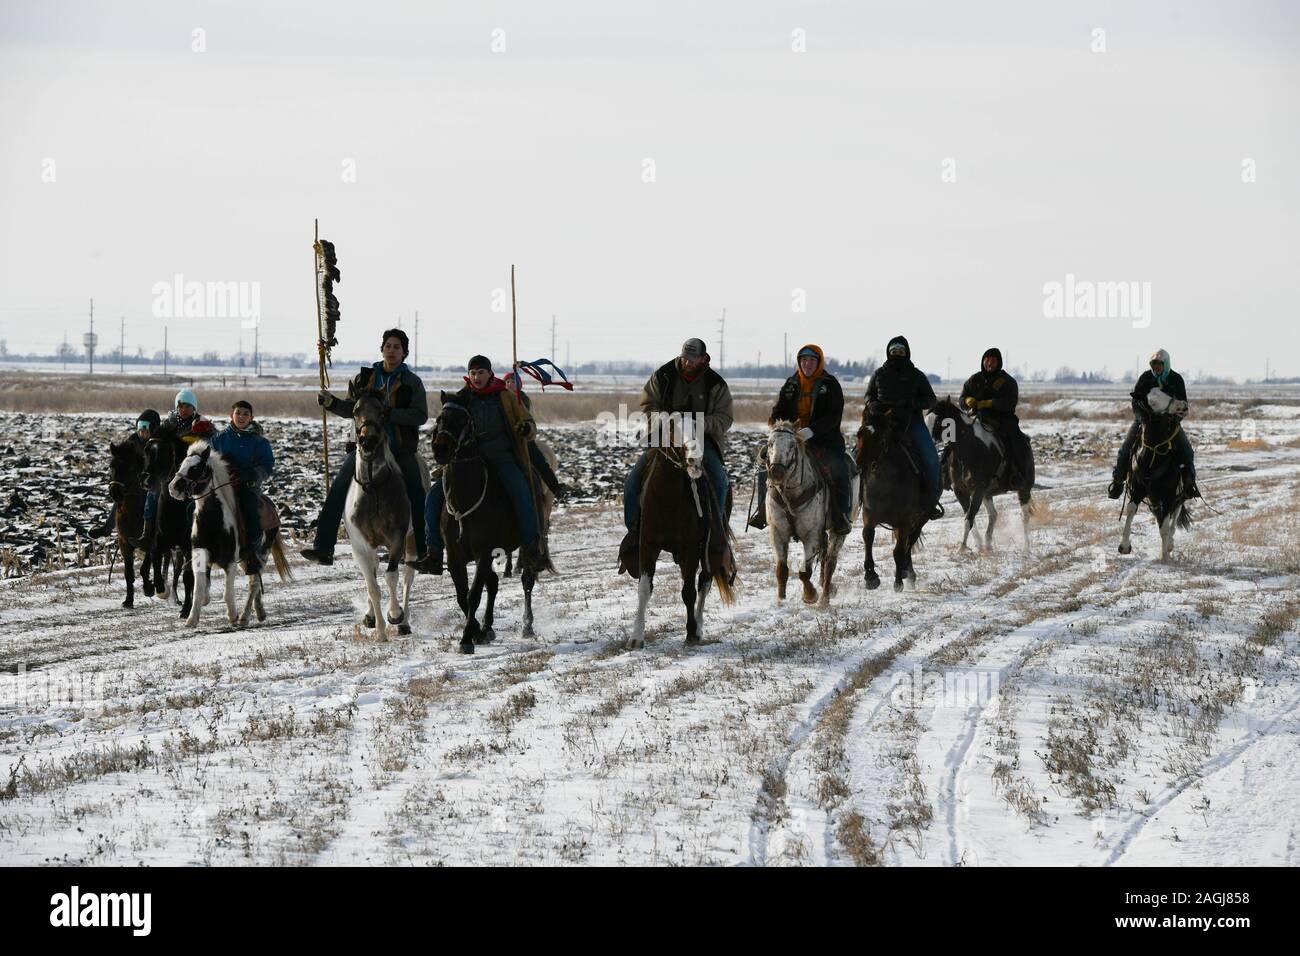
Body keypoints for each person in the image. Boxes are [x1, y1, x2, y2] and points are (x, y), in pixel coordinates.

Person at [301, 329, 429, 566]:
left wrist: (391, 414)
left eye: (397, 347)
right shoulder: (365, 378)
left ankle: (424, 552)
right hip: (365, 447)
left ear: (405, 353)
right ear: (382, 349)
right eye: (388, 346)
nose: (391, 351)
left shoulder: (412, 382)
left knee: (417, 490)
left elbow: (421, 415)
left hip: (399, 447)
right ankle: (323, 547)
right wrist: (332, 403)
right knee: (338, 487)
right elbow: (352, 409)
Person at [410, 356, 548, 575]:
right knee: (434, 496)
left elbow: (529, 424)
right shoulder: (463, 397)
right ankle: (434, 553)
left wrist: (525, 429)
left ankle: (531, 549)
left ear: (490, 374)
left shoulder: (506, 396)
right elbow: (447, 421)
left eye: (481, 372)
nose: (477, 377)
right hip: (469, 459)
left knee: (523, 493)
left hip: (502, 457)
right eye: (473, 373)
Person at [619, 338, 734, 573]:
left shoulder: (715, 384)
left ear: (703, 359)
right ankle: (635, 535)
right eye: (684, 358)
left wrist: (697, 423)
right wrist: (665, 420)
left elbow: (725, 418)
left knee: (720, 482)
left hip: (701, 442)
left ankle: (718, 537)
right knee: (632, 482)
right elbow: (647, 405)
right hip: (665, 440)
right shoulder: (663, 376)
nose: (687, 363)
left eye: (693, 359)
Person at [747, 344, 851, 534]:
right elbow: (779, 409)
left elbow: (834, 416)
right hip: (791, 439)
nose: (807, 364)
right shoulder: (791, 384)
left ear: (818, 362)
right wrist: (776, 424)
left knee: (839, 470)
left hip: (824, 440)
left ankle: (840, 516)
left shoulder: (830, 384)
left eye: (812, 360)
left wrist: (811, 431)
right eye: (803, 360)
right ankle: (764, 510)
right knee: (765, 462)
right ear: (799, 362)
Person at [864, 335, 942, 520]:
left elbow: (931, 399)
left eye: (900, 351)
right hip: (883, 424)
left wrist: (912, 403)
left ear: (906, 353)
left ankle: (930, 501)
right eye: (893, 351)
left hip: (912, 424)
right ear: (888, 353)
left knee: (931, 458)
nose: (897, 354)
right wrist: (874, 406)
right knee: (860, 453)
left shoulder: (916, 375)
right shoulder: (878, 374)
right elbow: (868, 396)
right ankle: (862, 499)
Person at [1108, 348, 1199, 499]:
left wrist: (1174, 420)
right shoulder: (1145, 378)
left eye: (1159, 364)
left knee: (1187, 450)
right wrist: (1142, 418)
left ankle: (1189, 484)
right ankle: (1117, 482)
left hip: (1169, 425)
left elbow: (1183, 406)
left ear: (1166, 364)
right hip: (1144, 422)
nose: (1156, 367)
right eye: (1154, 363)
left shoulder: (1176, 379)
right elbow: (1135, 402)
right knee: (1125, 447)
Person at [131, 391, 212, 547]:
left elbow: (210, 445)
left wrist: (205, 432)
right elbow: (157, 443)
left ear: (194, 407)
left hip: (192, 473)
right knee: (153, 494)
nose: (183, 409)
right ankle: (147, 534)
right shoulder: (169, 423)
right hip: (170, 470)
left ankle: (203, 536)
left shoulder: (202, 423)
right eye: (180, 406)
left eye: (187, 406)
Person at [210, 400, 274, 573]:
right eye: (238, 413)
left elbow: (267, 464)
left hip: (247, 486)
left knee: (251, 515)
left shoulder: (259, 442)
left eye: (246, 414)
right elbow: (208, 461)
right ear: (231, 415)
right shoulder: (218, 439)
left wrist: (251, 475)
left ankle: (251, 553)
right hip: (221, 486)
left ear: (251, 418)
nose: (241, 417)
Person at [959, 347, 1032, 486]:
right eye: (987, 360)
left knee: (1018, 441)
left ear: (999, 363)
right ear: (982, 361)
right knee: (956, 437)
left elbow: (1010, 403)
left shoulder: (1007, 381)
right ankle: (948, 472)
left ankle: (1019, 474)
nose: (989, 363)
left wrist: (990, 403)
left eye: (993, 360)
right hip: (977, 417)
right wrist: (967, 401)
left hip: (1002, 419)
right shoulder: (974, 380)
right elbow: (962, 398)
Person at [91, 408, 160, 539]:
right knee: (120, 499)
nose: (142, 433)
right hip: (136, 482)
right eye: (140, 430)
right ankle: (108, 527)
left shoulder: (159, 443)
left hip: (154, 483)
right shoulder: (132, 441)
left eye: (146, 431)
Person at [501, 369, 564, 498]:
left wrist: (523, 426)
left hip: (522, 437)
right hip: (503, 437)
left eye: (512, 382)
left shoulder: (521, 398)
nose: (509, 384)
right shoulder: (500, 398)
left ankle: (554, 486)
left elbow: (525, 416)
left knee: (537, 459)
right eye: (507, 382)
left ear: (518, 384)